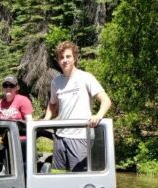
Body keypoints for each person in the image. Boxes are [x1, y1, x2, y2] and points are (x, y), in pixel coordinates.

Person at [44, 40, 112, 171]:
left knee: (78, 177)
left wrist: (98, 116)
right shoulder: (56, 82)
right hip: (60, 136)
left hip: (80, 136)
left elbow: (106, 100)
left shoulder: (86, 77)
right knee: (58, 175)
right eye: (61, 57)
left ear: (74, 58)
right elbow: (52, 104)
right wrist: (46, 119)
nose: (65, 60)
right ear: (58, 60)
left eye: (68, 56)